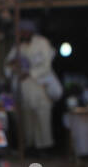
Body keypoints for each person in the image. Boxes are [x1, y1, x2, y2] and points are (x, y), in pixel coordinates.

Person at [6, 20, 58, 151]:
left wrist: (29, 73)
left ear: (30, 32)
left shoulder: (42, 43)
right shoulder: (18, 46)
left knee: (42, 119)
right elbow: (7, 65)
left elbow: (46, 65)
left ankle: (45, 147)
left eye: (23, 32)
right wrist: (13, 66)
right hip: (25, 89)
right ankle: (30, 146)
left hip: (40, 87)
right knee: (27, 120)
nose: (21, 35)